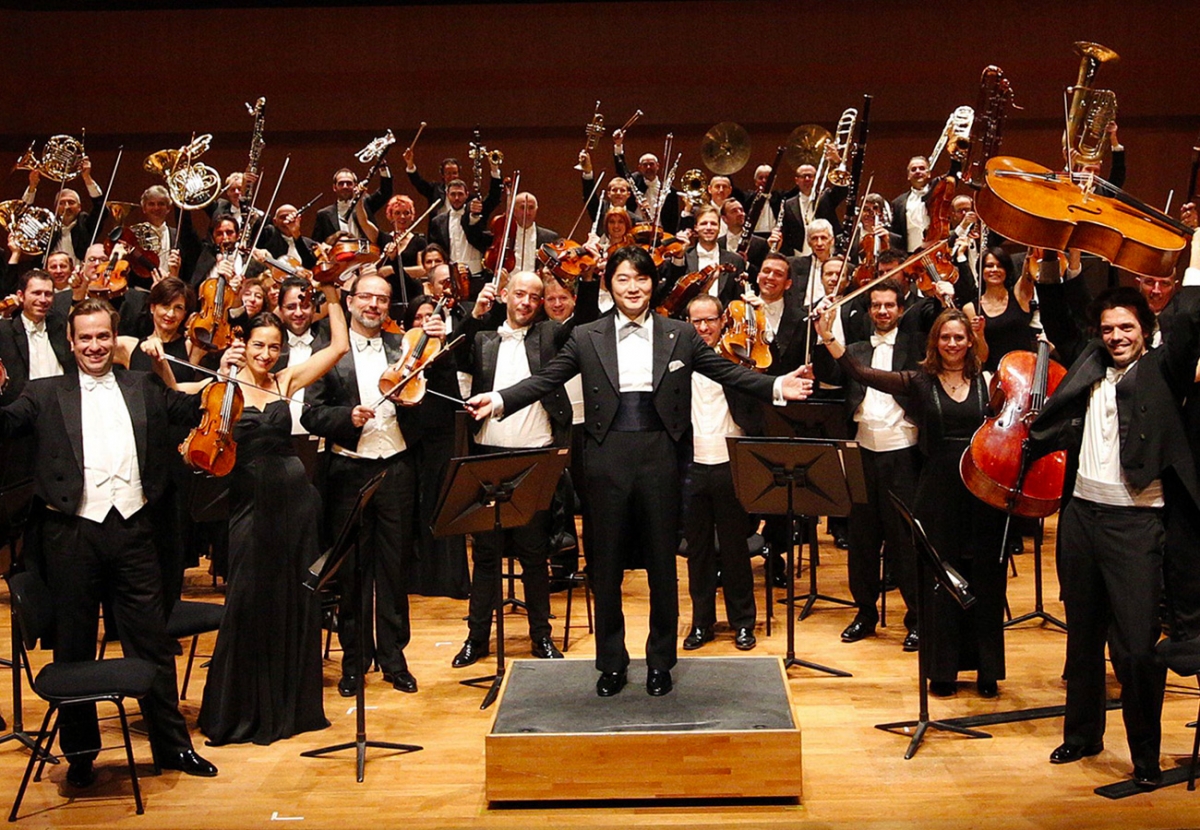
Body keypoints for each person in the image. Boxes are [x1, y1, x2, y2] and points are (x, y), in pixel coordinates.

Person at [466, 246, 813, 698]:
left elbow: (728, 371)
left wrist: (777, 386)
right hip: (604, 459)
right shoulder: (587, 335)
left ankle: (660, 661)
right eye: (624, 280)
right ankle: (611, 662)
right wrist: (498, 400)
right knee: (605, 566)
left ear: (654, 285)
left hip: (661, 458)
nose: (634, 288)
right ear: (610, 285)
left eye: (642, 279)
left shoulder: (679, 333)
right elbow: (546, 379)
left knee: (662, 568)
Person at [0, 298, 225, 785]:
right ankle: (81, 753)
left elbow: (190, 409)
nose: (95, 346)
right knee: (75, 645)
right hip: (71, 535)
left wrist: (221, 379)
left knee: (152, 643)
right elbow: (5, 425)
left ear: (115, 338)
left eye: (103, 336)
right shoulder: (42, 393)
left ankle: (172, 746)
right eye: (86, 338)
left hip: (135, 532)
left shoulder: (141, 383)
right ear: (71, 341)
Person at [1029, 237, 1200, 789]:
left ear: (1145, 329)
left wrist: (1193, 260)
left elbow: (1191, 322)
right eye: (1108, 329)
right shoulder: (1088, 363)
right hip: (1081, 518)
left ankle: (1145, 757)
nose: (1116, 337)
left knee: (1133, 647)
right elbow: (1059, 311)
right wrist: (1052, 247)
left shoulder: (1165, 368)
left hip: (1136, 523)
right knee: (1081, 635)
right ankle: (1081, 735)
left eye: (1126, 327)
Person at [815, 305, 1007, 697]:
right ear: (935, 342)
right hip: (937, 490)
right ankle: (943, 670)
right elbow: (861, 373)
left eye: (959, 337)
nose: (952, 343)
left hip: (982, 490)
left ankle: (987, 669)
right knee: (941, 580)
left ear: (970, 341)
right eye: (945, 337)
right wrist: (828, 337)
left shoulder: (989, 382)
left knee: (986, 579)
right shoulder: (921, 381)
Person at [190, 278, 349, 744]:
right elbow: (175, 388)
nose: (266, 353)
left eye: (274, 346)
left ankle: (291, 709)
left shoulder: (287, 380)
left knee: (295, 599)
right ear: (245, 345)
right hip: (250, 507)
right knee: (247, 599)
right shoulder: (224, 388)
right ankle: (238, 710)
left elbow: (338, 346)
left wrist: (334, 298)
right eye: (259, 345)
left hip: (297, 503)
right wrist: (210, 367)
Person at [301, 274, 426, 695]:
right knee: (351, 572)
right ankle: (354, 661)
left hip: (396, 468)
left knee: (394, 569)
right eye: (367, 297)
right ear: (351, 301)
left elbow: (430, 407)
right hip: (348, 470)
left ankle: (394, 658)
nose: (374, 304)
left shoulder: (404, 348)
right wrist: (345, 418)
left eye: (382, 299)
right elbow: (310, 414)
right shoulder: (329, 350)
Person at [452, 272, 573, 666]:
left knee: (535, 555)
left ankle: (542, 637)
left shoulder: (548, 337)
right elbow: (452, 356)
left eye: (534, 297)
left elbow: (575, 321)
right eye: (519, 294)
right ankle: (477, 639)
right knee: (485, 556)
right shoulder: (484, 339)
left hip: (535, 456)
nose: (526, 302)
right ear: (505, 295)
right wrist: (475, 315)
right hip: (488, 456)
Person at [680, 294, 761, 651]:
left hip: (731, 464)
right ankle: (701, 623)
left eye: (710, 320)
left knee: (735, 550)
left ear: (722, 322)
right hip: (691, 467)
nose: (703, 328)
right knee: (697, 551)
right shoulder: (674, 365)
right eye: (696, 321)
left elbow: (756, 412)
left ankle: (743, 622)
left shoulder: (737, 362)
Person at [971, 248, 1037, 372]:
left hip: (1027, 371)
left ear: (1006, 270)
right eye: (989, 266)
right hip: (995, 376)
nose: (995, 270)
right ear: (981, 270)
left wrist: (1031, 247)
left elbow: (1029, 267)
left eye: (1000, 266)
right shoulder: (971, 308)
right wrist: (979, 334)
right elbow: (982, 357)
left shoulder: (1019, 295)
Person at [311, 165, 393, 243]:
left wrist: (382, 167)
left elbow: (386, 192)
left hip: (367, 255)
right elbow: (316, 244)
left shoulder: (366, 204)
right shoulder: (323, 215)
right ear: (334, 187)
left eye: (349, 183)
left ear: (355, 186)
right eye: (341, 183)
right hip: (337, 256)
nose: (345, 186)